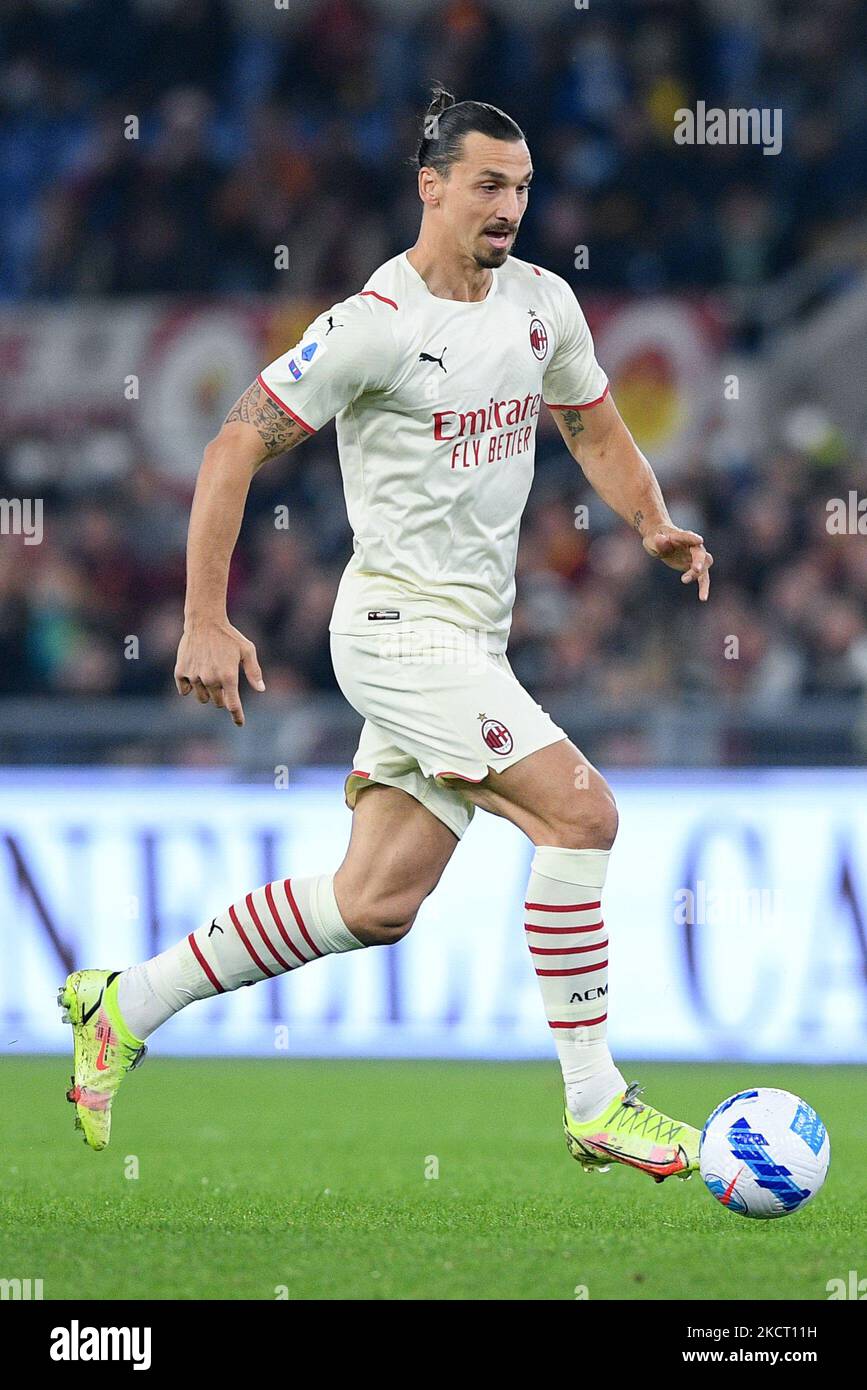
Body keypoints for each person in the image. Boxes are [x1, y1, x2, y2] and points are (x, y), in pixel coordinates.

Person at [60, 88, 712, 1178]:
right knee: (583, 814)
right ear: (432, 186)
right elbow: (231, 448)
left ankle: (124, 1003)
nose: (510, 207)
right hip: (397, 630)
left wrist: (651, 523)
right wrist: (204, 618)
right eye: (489, 185)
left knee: (375, 902)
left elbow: (592, 420)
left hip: (471, 642)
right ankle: (597, 1101)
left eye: (524, 188)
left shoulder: (543, 305)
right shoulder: (374, 327)